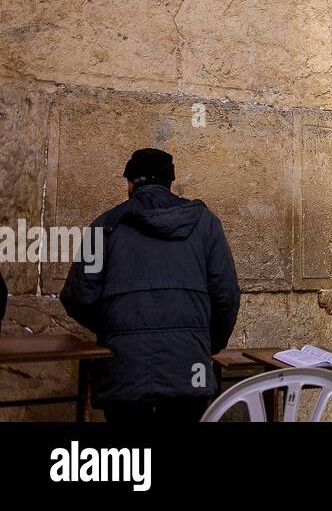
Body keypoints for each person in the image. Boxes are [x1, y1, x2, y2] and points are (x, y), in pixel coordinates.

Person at [59, 148, 239, 423]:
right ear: (170, 182)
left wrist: (115, 327)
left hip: (123, 370)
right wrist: (205, 343)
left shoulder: (104, 226)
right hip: (189, 367)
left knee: (132, 464)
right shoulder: (206, 224)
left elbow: (78, 296)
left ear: (130, 183)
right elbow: (226, 297)